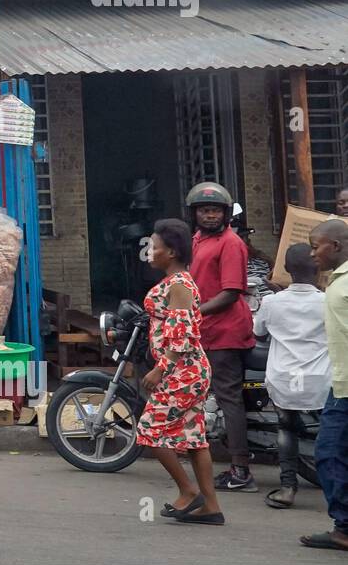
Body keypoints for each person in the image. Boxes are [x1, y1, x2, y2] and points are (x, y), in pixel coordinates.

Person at [135, 218, 225, 525]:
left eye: (154, 247)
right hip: (186, 370)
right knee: (194, 437)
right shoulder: (177, 282)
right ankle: (210, 506)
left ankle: (188, 492)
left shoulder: (180, 285)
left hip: (182, 371)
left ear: (171, 252)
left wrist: (161, 369)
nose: (150, 252)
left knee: (150, 431)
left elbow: (183, 334)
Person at [185, 182, 256, 492]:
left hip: (225, 331)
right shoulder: (198, 239)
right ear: (194, 214)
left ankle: (241, 469)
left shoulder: (231, 243)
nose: (210, 215)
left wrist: (195, 312)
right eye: (204, 210)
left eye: (215, 210)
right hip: (205, 329)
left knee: (229, 397)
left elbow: (230, 293)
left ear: (226, 214)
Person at [254, 243, 330, 509]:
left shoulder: (271, 302)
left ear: (285, 269)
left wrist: (276, 298)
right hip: (319, 381)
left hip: (284, 379)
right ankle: (332, 484)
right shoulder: (329, 301)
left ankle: (287, 488)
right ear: (319, 269)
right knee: (326, 431)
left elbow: (258, 332)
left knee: (286, 428)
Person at [303, 219, 348, 551]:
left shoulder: (344, 285)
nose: (312, 252)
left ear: (336, 246)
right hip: (340, 383)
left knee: (329, 452)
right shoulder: (337, 283)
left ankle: (344, 527)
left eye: (316, 245)